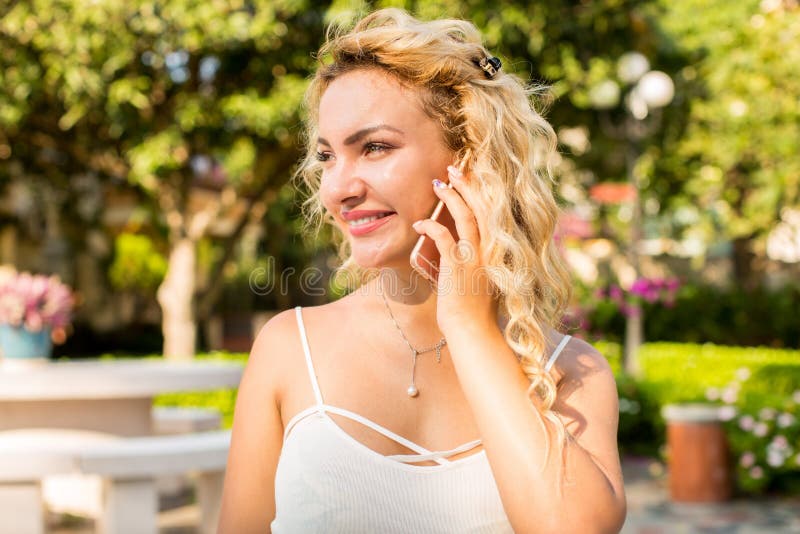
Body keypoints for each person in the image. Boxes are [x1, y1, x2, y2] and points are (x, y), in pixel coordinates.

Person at [219, 8, 625, 533]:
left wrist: (469, 325)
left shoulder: (572, 375)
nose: (339, 188)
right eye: (327, 156)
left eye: (375, 147)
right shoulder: (288, 348)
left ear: (470, 161)